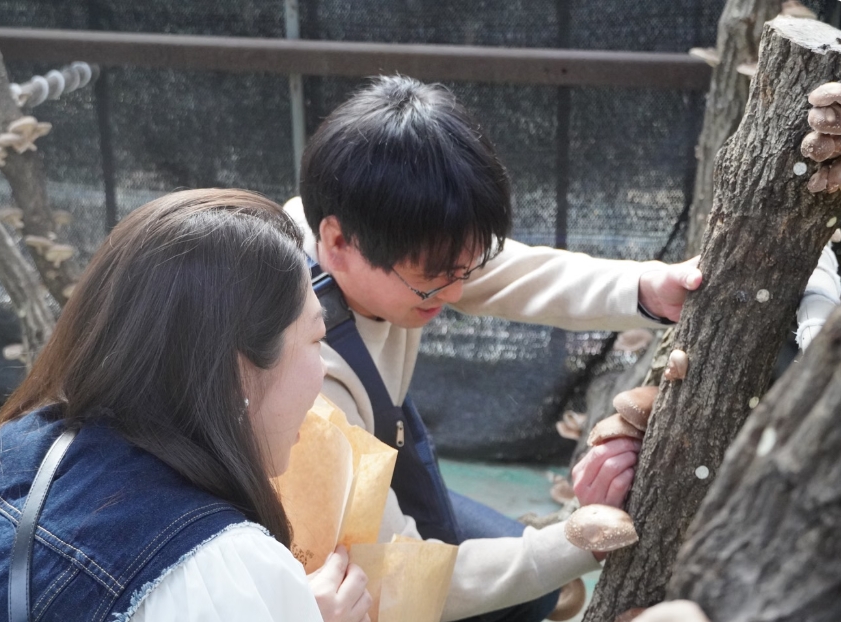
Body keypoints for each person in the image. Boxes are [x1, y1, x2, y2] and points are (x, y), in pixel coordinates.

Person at [286, 76, 703, 622]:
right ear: (337, 242)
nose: (457, 292)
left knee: (533, 586)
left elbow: (506, 273)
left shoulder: (333, 224)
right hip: (303, 529)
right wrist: (576, 543)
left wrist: (646, 288)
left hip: (380, 441)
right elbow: (395, 572)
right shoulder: (305, 381)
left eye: (464, 268)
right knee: (508, 595)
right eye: (434, 280)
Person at [0, 189, 371, 622]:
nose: (321, 377)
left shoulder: (4, 449)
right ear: (236, 369)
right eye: (316, 337)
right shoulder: (218, 567)